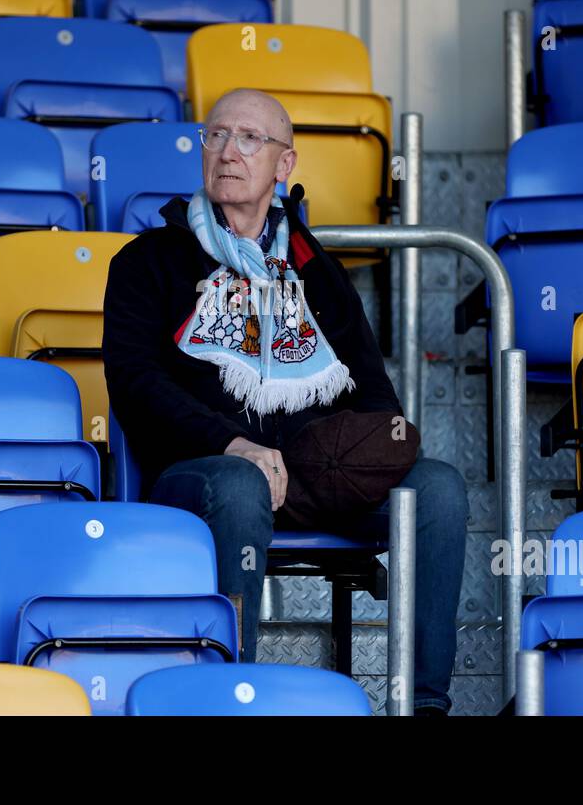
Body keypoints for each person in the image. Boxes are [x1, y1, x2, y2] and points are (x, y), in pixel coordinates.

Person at [103, 88, 468, 715]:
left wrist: (365, 449)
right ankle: (228, 697)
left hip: (316, 473)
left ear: (285, 164)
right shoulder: (148, 261)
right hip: (203, 472)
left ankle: (425, 705)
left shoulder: (315, 270)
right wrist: (232, 443)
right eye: (216, 135)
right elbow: (136, 384)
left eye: (250, 138)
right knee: (243, 484)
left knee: (438, 491)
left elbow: (372, 388)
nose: (228, 152)